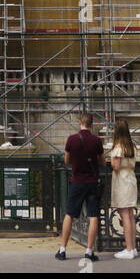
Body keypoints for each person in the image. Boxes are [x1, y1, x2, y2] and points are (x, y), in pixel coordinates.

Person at [55, 112, 104, 262]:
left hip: (77, 181)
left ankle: (63, 249)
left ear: (79, 123)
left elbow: (66, 160)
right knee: (93, 216)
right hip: (92, 182)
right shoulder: (96, 140)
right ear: (92, 124)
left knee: (69, 214)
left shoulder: (72, 139)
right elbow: (102, 161)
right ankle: (89, 251)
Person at [110, 117, 138, 259]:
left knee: (124, 214)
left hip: (122, 180)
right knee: (130, 214)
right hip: (131, 178)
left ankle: (128, 248)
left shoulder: (118, 147)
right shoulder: (131, 147)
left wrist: (109, 161)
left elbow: (115, 166)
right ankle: (132, 247)